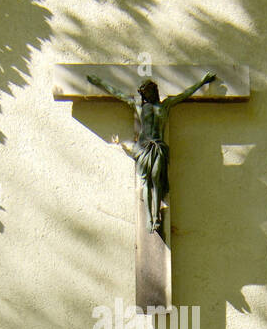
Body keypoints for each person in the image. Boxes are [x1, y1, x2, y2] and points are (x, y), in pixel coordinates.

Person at [86, 72, 216, 235]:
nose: (146, 94)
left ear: (153, 91)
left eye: (148, 91)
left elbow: (185, 94)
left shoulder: (165, 105)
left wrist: (202, 82)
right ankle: (151, 218)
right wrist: (99, 81)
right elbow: (117, 93)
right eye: (144, 92)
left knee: (156, 178)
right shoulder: (139, 106)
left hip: (158, 146)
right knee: (146, 182)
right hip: (143, 148)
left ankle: (156, 215)